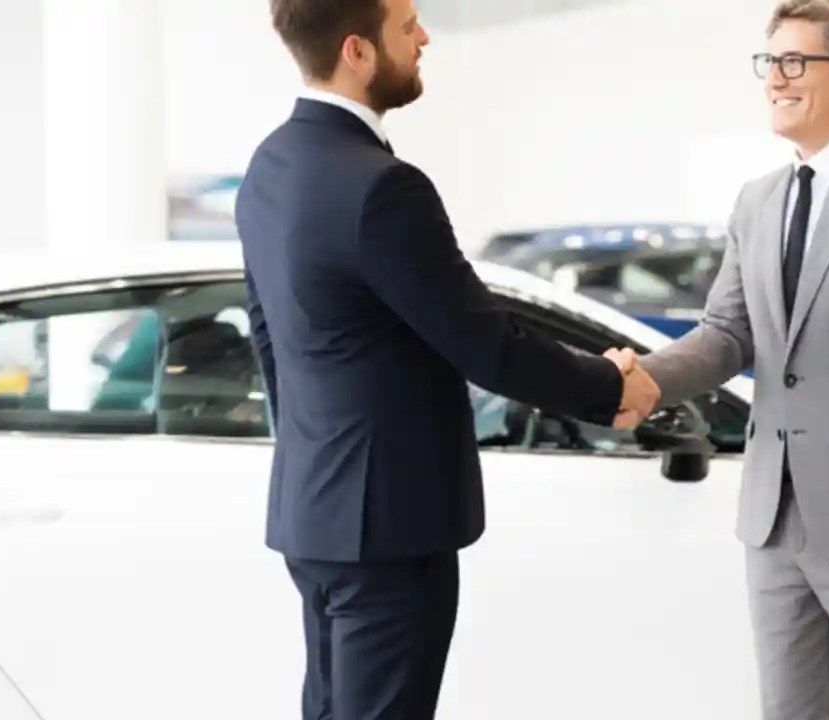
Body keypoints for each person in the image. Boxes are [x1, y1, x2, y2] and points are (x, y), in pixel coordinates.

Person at [234, 1, 659, 719]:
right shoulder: (381, 187)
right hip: (389, 528)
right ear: (357, 51)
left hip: (315, 512)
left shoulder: (271, 166)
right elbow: (483, 343)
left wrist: (318, 451)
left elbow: (267, 333)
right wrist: (607, 385)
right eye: (407, 26)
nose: (425, 36)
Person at [612, 1, 829, 718]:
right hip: (773, 519)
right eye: (769, 62)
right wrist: (646, 379)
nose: (775, 78)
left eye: (794, 61)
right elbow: (728, 334)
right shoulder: (757, 201)